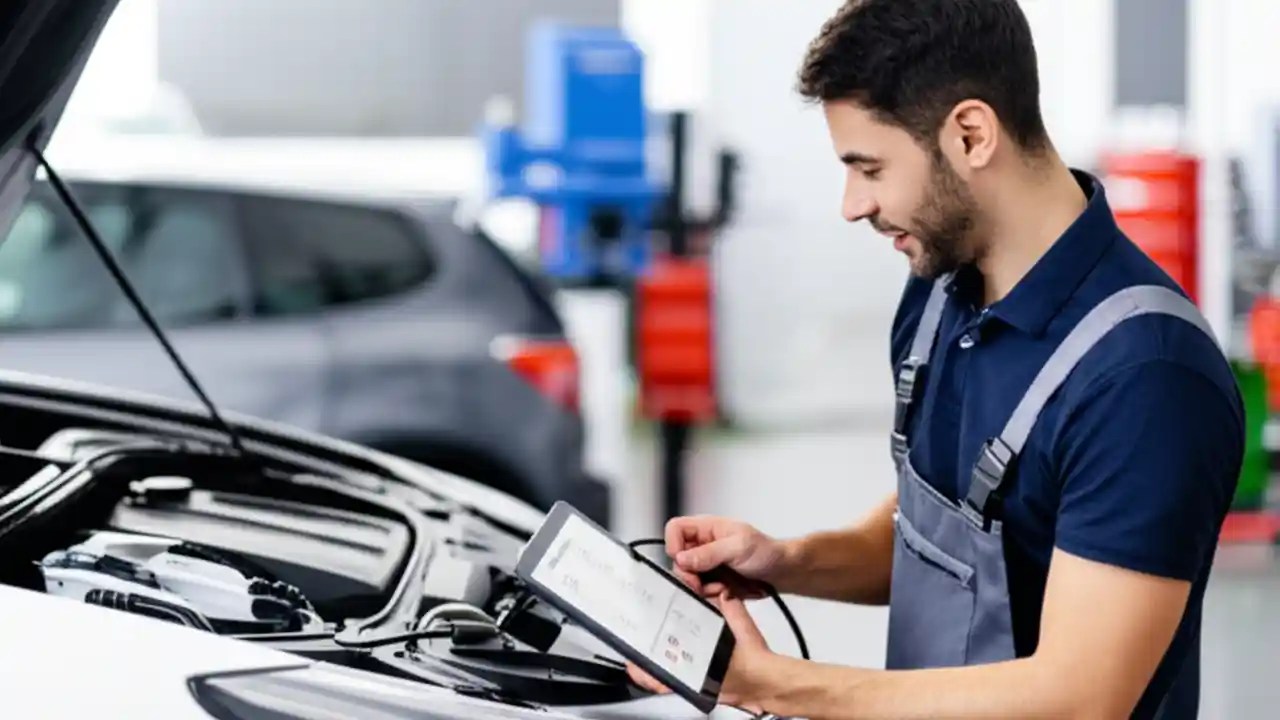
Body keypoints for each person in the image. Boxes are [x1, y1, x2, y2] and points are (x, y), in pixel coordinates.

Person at [628, 0, 1244, 717]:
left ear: (971, 134)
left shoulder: (1146, 377)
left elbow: (1081, 698)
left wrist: (769, 683)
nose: (852, 204)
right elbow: (950, 535)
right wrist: (791, 562)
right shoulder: (939, 297)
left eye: (870, 168)